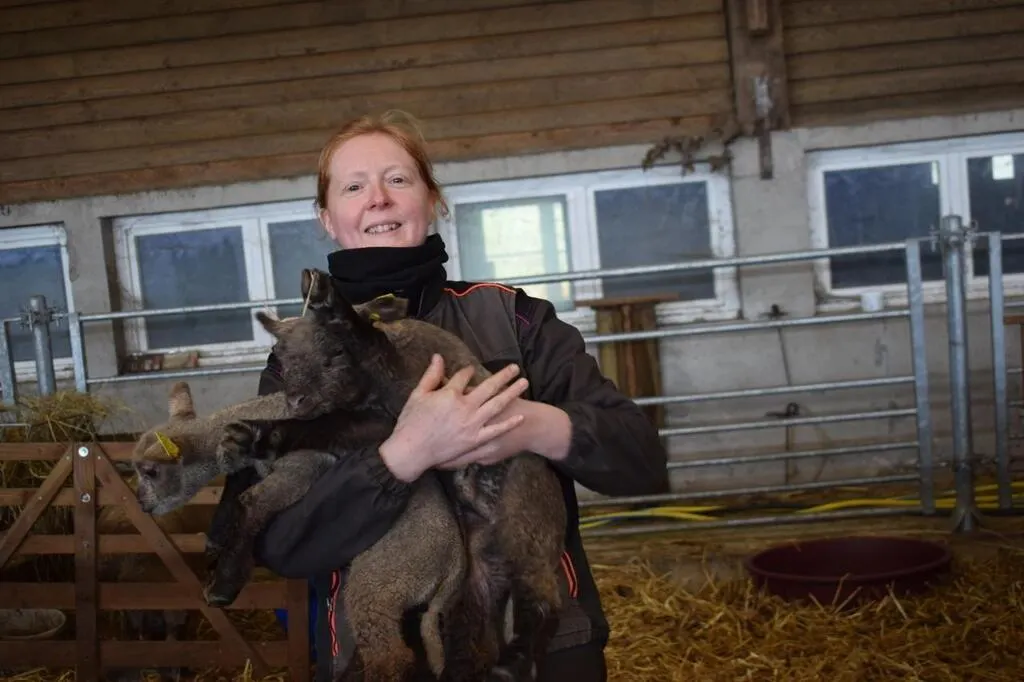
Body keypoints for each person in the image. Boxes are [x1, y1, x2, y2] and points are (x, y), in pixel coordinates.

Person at [241, 110, 670, 682]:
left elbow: (642, 459)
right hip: (387, 659)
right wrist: (403, 455)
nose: (378, 199)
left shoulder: (514, 320)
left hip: (538, 653)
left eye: (398, 179)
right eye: (353, 187)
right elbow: (280, 543)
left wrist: (525, 423)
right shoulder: (298, 358)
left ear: (433, 199)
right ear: (327, 219)